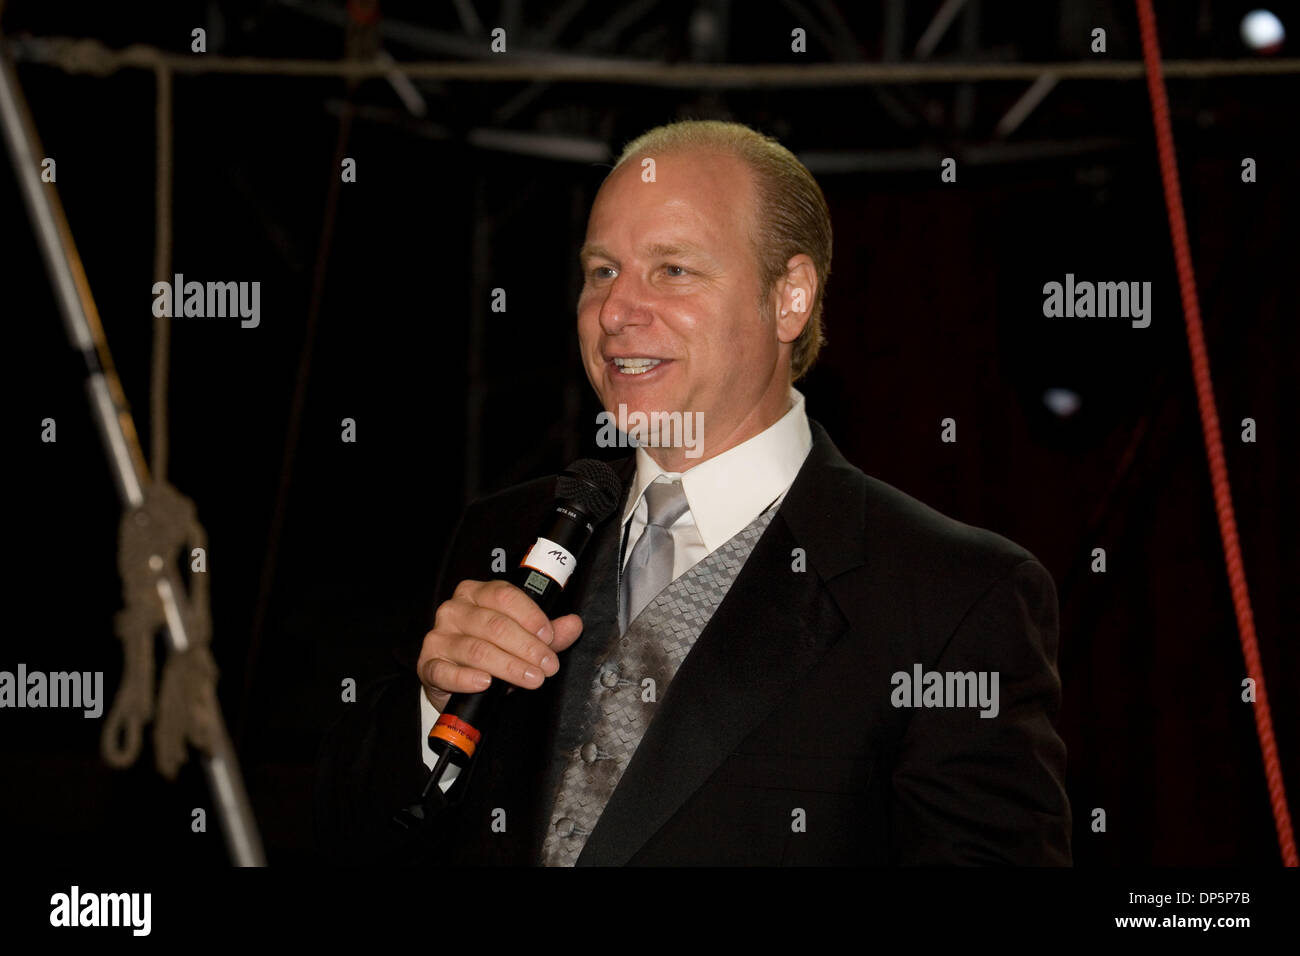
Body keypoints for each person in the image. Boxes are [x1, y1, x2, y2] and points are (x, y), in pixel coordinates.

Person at [314, 120, 1071, 865]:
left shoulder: (951, 597)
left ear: (790, 299)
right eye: (602, 271)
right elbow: (363, 833)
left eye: (672, 270)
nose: (615, 311)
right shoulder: (510, 529)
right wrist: (433, 709)